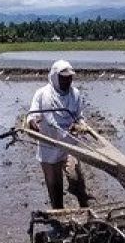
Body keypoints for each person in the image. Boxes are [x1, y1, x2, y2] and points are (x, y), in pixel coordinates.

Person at [28, 60, 91, 209]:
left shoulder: (75, 94)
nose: (68, 81)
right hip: (48, 146)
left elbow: (79, 115)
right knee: (54, 187)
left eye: (70, 78)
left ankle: (85, 209)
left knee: (76, 179)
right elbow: (32, 114)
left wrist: (81, 124)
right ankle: (59, 217)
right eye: (64, 78)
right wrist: (32, 122)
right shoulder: (42, 94)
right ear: (55, 77)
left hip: (69, 145)